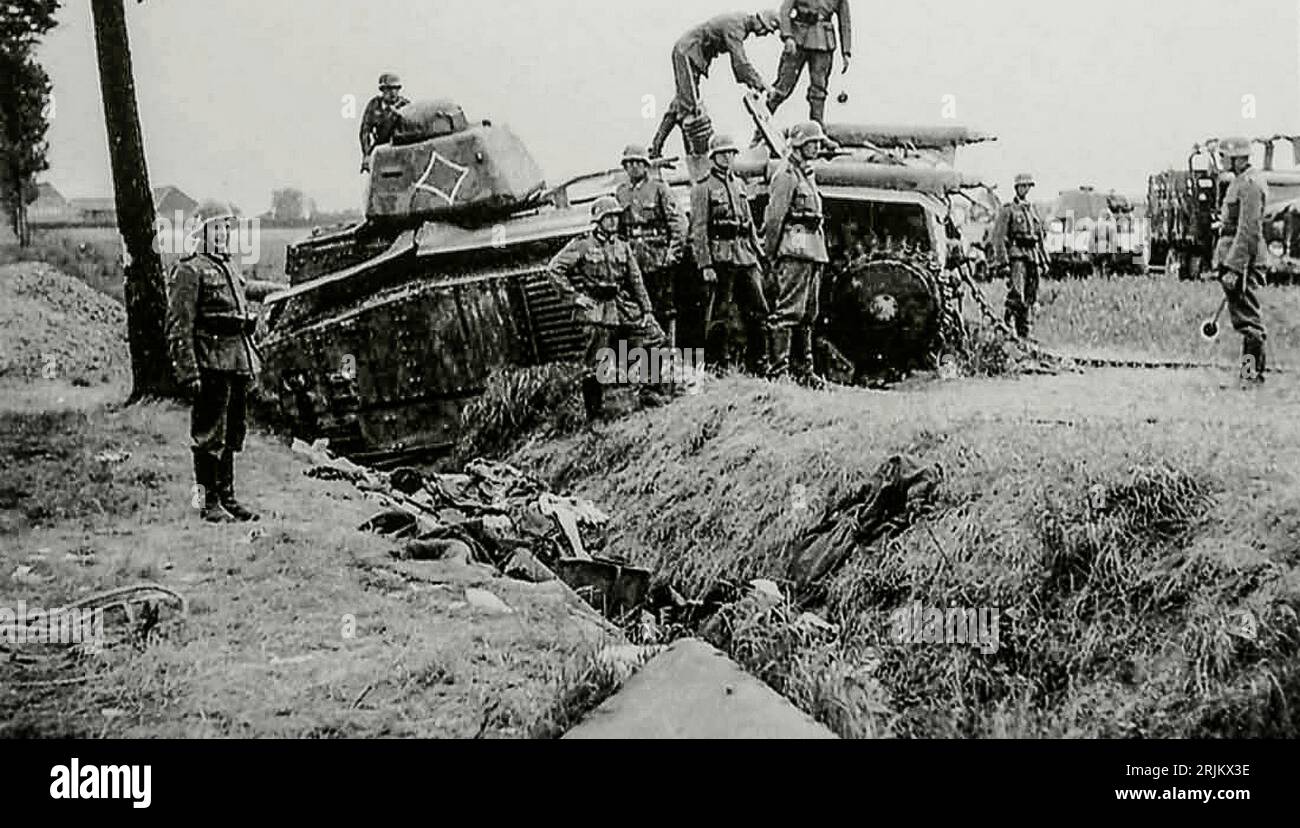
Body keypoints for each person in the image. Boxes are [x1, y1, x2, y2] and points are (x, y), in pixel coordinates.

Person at [167, 204, 281, 523]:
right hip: (209, 362)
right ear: (201, 233)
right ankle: (205, 502)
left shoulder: (228, 267)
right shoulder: (189, 270)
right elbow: (179, 325)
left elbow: (241, 298)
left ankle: (227, 497)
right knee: (208, 435)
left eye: (226, 230)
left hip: (236, 359)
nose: (222, 235)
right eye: (216, 229)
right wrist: (188, 371)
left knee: (232, 432)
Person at [547, 196, 670, 420]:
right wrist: (575, 297)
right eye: (608, 218)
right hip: (596, 307)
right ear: (598, 220)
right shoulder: (582, 244)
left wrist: (647, 311)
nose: (613, 222)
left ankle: (650, 392)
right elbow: (554, 269)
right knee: (595, 360)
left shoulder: (622, 245)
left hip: (621, 304)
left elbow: (636, 280)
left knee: (655, 337)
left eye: (616, 217)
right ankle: (595, 414)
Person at [648, 10, 783, 159]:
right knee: (690, 107)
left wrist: (755, 84)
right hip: (688, 51)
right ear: (760, 22)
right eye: (766, 30)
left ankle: (658, 149)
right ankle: (693, 155)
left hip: (692, 53)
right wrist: (763, 85)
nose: (765, 34)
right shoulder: (736, 27)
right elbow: (741, 65)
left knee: (681, 104)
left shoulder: (740, 23)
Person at [689, 134, 770, 373]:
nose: (727, 157)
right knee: (719, 314)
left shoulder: (739, 185)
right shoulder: (703, 187)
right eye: (723, 153)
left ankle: (758, 363)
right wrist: (705, 264)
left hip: (744, 254)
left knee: (758, 310)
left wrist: (758, 252)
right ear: (713, 157)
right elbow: (699, 228)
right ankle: (717, 366)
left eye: (731, 153)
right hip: (721, 257)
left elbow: (749, 223)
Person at [763, 121, 829, 386]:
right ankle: (778, 370)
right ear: (800, 143)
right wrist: (771, 254)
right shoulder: (786, 175)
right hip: (795, 246)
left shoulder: (806, 174)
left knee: (808, 313)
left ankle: (804, 370)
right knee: (789, 311)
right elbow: (775, 218)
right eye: (813, 142)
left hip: (813, 248)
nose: (817, 146)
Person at [616, 144, 687, 341]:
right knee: (640, 308)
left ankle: (669, 352)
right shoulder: (621, 193)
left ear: (646, 165)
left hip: (657, 257)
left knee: (665, 307)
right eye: (629, 163)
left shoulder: (659, 188)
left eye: (637, 162)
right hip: (634, 260)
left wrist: (673, 254)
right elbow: (620, 230)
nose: (633, 167)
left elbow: (678, 223)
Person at [1215, 136, 1270, 384]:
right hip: (1235, 257)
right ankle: (1252, 373)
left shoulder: (1249, 184)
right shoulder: (1241, 181)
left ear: (1236, 158)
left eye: (1223, 156)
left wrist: (1234, 269)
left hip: (1242, 261)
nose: (1221, 160)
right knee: (1245, 319)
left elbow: (1248, 230)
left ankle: (1250, 375)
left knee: (1248, 323)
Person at [765, 0, 853, 126]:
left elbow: (845, 21)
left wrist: (846, 52)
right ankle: (760, 131)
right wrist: (788, 36)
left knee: (818, 91)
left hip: (823, 42)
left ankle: (816, 131)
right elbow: (785, 10)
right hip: (798, 40)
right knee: (782, 88)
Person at [989, 173, 1046, 338]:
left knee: (1031, 293)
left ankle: (1024, 331)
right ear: (1017, 188)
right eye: (1023, 186)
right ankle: (1008, 323)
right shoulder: (1008, 210)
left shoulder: (1031, 210)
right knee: (1017, 293)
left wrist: (1044, 260)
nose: (1025, 189)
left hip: (1031, 255)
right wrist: (1003, 261)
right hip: (1017, 254)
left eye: (1028, 186)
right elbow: (999, 237)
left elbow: (1039, 236)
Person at [359, 72, 410, 173]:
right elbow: (365, 131)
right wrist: (367, 154)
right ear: (383, 90)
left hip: (400, 148)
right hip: (381, 147)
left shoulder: (405, 105)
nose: (393, 93)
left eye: (396, 89)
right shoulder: (374, 105)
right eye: (389, 89)